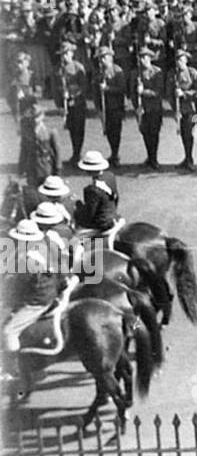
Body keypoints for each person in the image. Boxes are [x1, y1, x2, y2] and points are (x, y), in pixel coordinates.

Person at [1, 217, 61, 383]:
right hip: (49, 289)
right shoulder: (42, 247)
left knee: (9, 331)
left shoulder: (27, 259)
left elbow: (19, 286)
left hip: (38, 300)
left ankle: (12, 370)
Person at [168, 49, 197, 171]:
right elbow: (169, 94)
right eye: (177, 60)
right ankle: (187, 157)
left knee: (190, 134)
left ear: (186, 61)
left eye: (182, 60)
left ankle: (189, 159)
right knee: (183, 134)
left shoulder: (193, 73)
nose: (179, 63)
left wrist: (184, 94)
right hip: (180, 109)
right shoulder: (173, 74)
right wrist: (174, 110)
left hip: (192, 109)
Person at [56, 40, 89, 165]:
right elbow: (55, 88)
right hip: (66, 105)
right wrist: (59, 104)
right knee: (71, 129)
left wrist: (72, 93)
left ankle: (77, 153)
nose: (65, 56)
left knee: (79, 129)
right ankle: (75, 153)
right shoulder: (59, 70)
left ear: (72, 54)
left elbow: (84, 86)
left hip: (78, 103)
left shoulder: (78, 67)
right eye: (63, 54)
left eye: (67, 53)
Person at [73, 149, 119, 236]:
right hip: (113, 216)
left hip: (102, 224)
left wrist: (78, 206)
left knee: (74, 240)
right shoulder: (110, 176)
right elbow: (116, 198)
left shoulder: (91, 189)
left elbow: (89, 215)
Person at [17, 102, 60, 193]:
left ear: (42, 117)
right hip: (31, 168)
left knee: (47, 192)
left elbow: (57, 151)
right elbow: (23, 151)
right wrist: (21, 169)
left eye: (37, 118)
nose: (35, 121)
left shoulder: (50, 131)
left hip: (46, 168)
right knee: (32, 192)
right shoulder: (26, 132)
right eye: (32, 119)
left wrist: (57, 169)